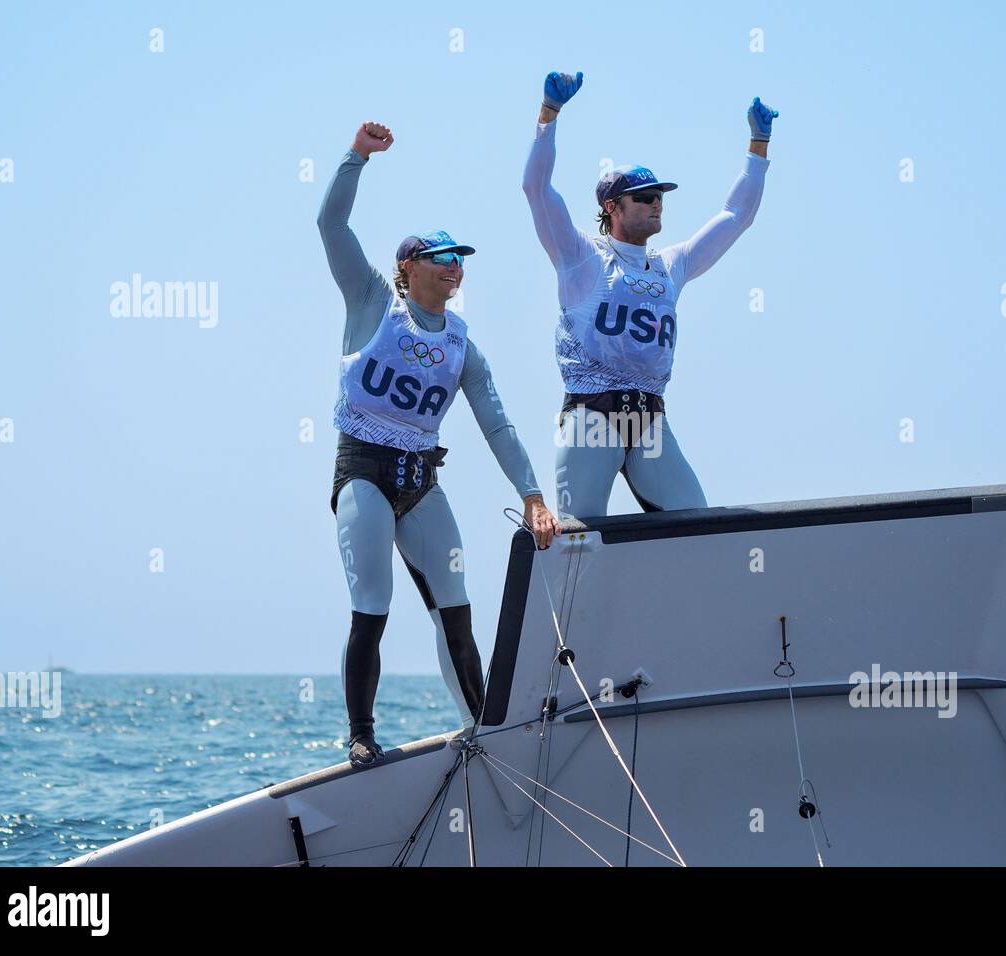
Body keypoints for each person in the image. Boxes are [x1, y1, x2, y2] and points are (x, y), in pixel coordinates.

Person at [319, 121, 560, 765]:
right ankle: (362, 737)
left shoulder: (461, 345)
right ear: (410, 268)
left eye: (460, 261)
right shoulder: (371, 300)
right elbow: (331, 226)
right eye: (442, 258)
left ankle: (486, 729)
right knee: (373, 602)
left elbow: (497, 423)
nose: (455, 268)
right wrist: (357, 158)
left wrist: (533, 496)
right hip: (364, 472)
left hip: (421, 480)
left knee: (456, 605)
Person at [522, 70, 779, 519]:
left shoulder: (671, 265)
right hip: (591, 417)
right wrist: (549, 114)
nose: (656, 202)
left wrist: (758, 146)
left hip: (650, 420)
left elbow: (735, 215)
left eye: (659, 195)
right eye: (643, 197)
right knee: (579, 544)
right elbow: (537, 189)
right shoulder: (581, 257)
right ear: (612, 208)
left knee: (699, 528)